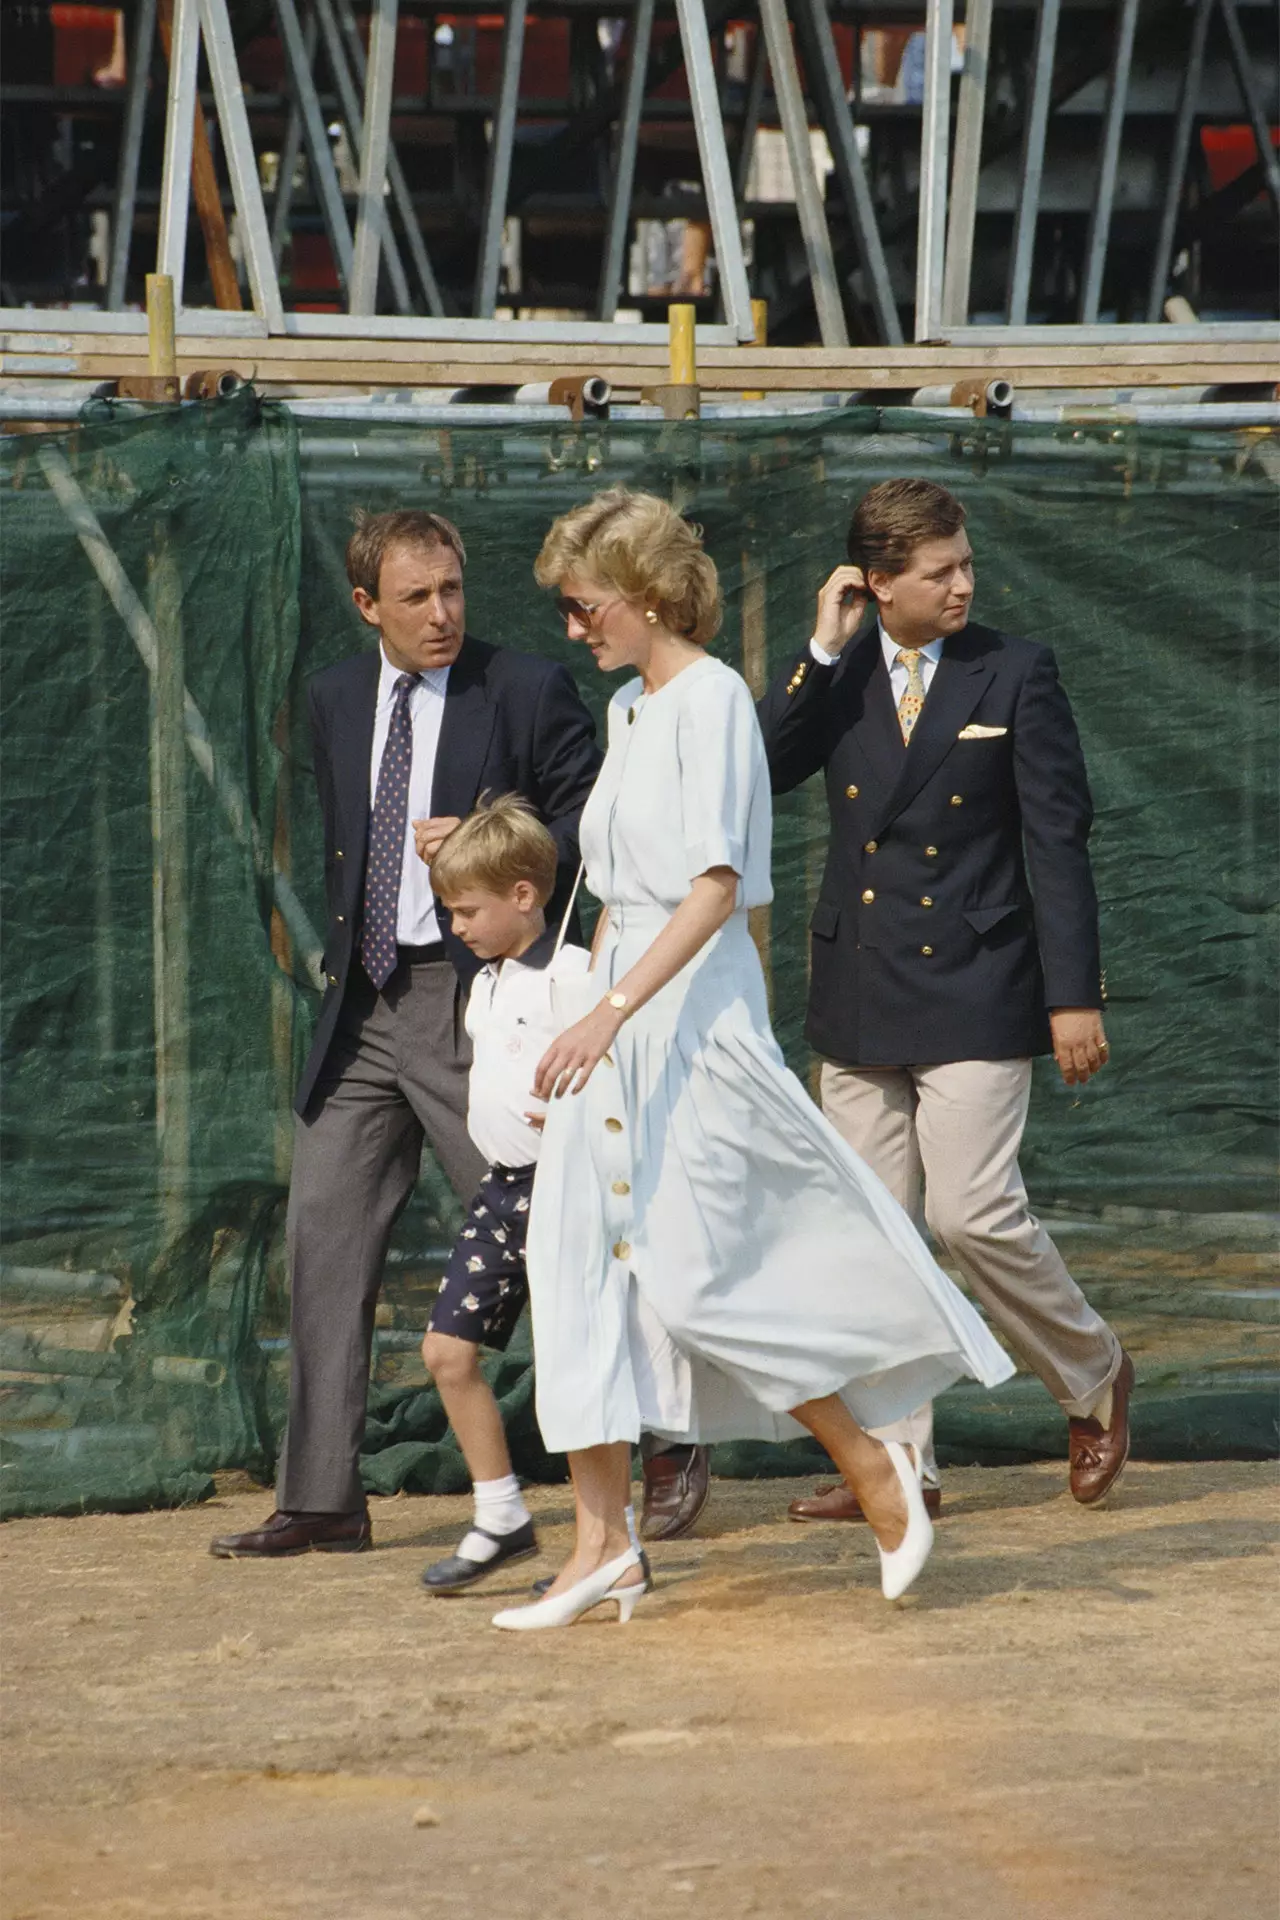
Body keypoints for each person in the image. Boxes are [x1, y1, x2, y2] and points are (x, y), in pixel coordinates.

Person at [489, 487, 1015, 1632]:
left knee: (699, 1275)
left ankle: (874, 1465)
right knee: (573, 1271)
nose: (573, 630)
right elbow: (613, 891)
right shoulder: (627, 710)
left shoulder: (716, 699)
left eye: (587, 608)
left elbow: (715, 887)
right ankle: (601, 1549)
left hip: (688, 1021)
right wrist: (566, 1011)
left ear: (642, 595)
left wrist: (609, 1011)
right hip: (612, 1026)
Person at [211, 509, 600, 1559]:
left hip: (479, 1001)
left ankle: (658, 1448)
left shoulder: (521, 687)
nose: (442, 615)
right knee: (322, 1236)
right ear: (365, 606)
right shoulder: (336, 699)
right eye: (417, 597)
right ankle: (324, 1498)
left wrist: (492, 841)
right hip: (361, 1006)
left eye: (453, 591)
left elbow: (592, 823)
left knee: (557, 1227)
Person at [757, 477, 1133, 1525]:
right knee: (871, 1237)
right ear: (876, 584)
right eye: (938, 571)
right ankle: (898, 1464)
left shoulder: (1013, 671)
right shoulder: (834, 676)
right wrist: (820, 650)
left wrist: (1072, 997)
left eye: (964, 564)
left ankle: (1092, 1374)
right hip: (860, 983)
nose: (963, 584)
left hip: (978, 982)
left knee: (966, 1213)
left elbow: (1055, 841)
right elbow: (762, 766)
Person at [417, 795, 593, 1593]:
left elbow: (613, 1069)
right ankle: (501, 1517)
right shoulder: (484, 983)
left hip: (570, 1195)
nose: (456, 927)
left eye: (466, 911)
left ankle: (610, 1540)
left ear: (524, 896)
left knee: (577, 1370)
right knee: (446, 1354)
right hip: (503, 1196)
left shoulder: (577, 974)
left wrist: (573, 1111)